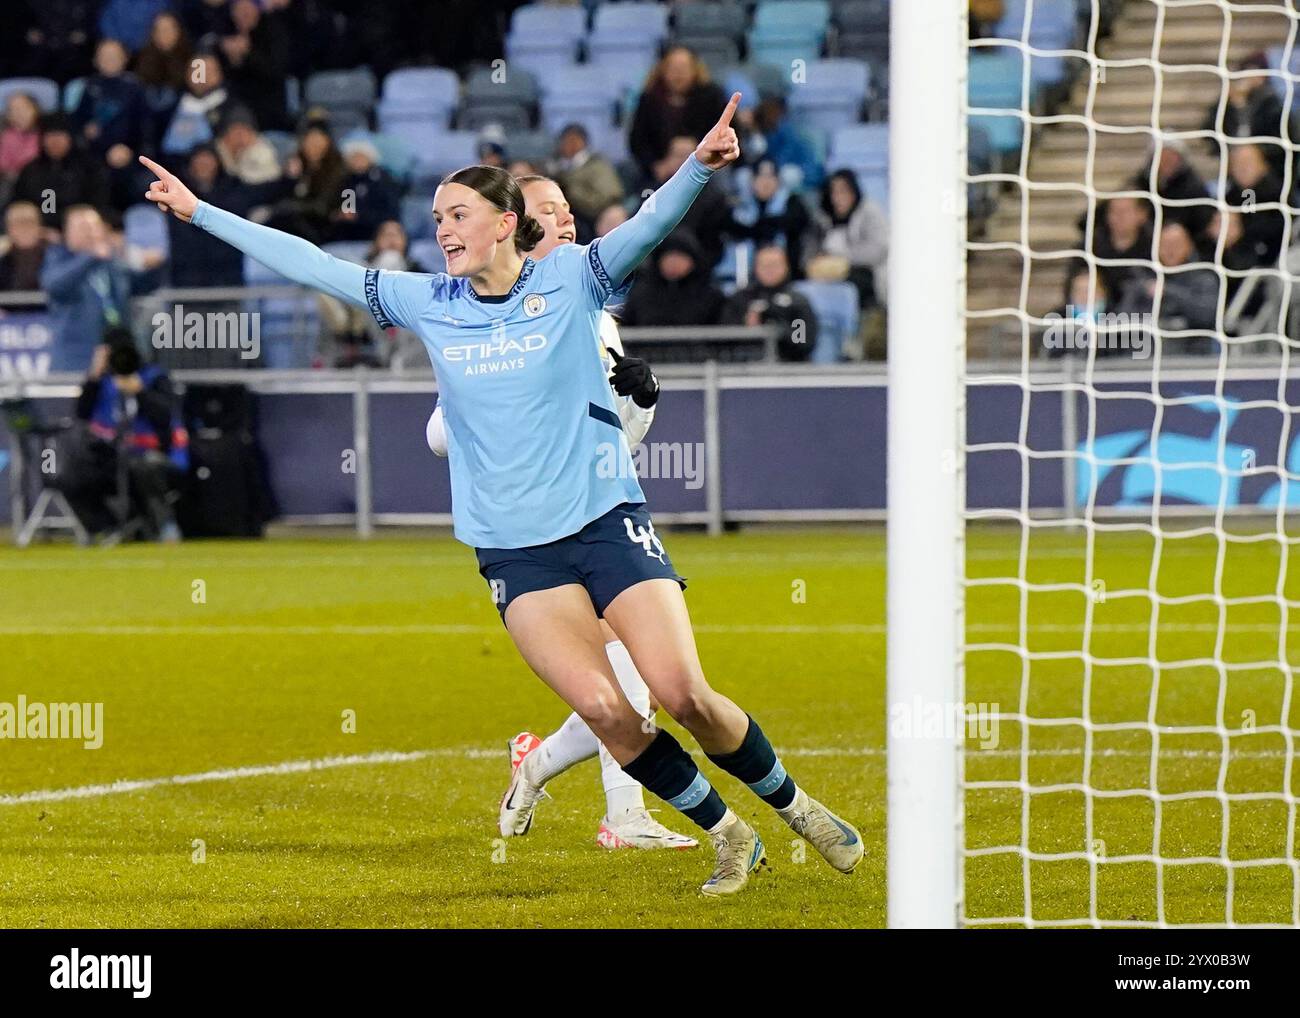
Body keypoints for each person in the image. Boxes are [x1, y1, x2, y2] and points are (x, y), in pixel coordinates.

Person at [139, 92, 863, 897]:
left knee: (681, 692)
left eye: (456, 215)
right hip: (515, 548)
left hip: (604, 521)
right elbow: (311, 262)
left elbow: (648, 227)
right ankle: (727, 835)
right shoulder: (429, 303)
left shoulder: (572, 279)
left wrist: (699, 164)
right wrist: (200, 210)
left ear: (503, 222)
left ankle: (796, 807)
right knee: (607, 710)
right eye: (438, 217)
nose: (441, 229)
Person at [426, 173, 693, 850]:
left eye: (570, 211)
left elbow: (622, 438)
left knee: (632, 692)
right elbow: (436, 432)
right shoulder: (476, 313)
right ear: (515, 223)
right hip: (530, 531)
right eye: (550, 212)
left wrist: (642, 397)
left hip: (599, 510)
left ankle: (540, 766)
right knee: (629, 691)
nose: (567, 222)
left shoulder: (590, 307)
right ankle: (623, 817)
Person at [74, 333, 189, 541]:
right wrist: (94, 375)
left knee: (145, 466)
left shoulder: (155, 377)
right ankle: (103, 526)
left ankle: (166, 525)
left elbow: (166, 418)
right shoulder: (102, 382)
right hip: (113, 454)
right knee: (71, 468)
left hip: (156, 453)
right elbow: (81, 414)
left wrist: (141, 392)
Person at [39, 205, 163, 371]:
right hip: (75, 361)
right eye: (83, 227)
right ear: (67, 233)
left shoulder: (110, 262)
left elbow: (137, 287)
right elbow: (54, 285)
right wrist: (89, 258)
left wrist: (151, 265)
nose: (90, 233)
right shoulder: (58, 257)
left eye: (94, 226)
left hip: (113, 358)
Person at [628, 46, 727, 182]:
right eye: (673, 69)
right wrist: (656, 165)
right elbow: (637, 142)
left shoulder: (713, 96)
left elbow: (726, 134)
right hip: (661, 167)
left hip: (707, 164)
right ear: (663, 71)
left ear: (695, 70)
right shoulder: (649, 99)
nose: (678, 74)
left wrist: (698, 148)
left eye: (684, 69)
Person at [722, 244, 819, 362]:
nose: (770, 270)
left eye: (775, 265)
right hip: (745, 368)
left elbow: (803, 341)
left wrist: (776, 328)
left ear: (786, 267)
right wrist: (748, 327)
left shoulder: (797, 302)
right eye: (764, 265)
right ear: (755, 267)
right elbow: (724, 336)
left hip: (788, 368)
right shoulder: (740, 299)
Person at [11, 112, 110, 228]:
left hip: (79, 231)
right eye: (49, 135)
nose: (54, 141)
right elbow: (17, 203)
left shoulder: (90, 168)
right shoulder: (30, 170)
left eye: (60, 135)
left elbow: (100, 206)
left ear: (71, 138)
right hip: (37, 233)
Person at [808, 169, 889, 308]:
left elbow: (878, 251)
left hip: (867, 275)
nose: (838, 198)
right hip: (828, 276)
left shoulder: (870, 213)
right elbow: (810, 249)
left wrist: (842, 257)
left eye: (843, 191)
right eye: (834, 192)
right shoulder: (822, 217)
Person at [619, 228, 725, 328]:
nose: (673, 263)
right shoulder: (641, 293)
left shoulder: (711, 296)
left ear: (693, 261)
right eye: (668, 256)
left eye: (680, 256)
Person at [551, 124, 624, 241]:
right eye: (566, 141)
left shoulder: (598, 166)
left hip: (597, 216)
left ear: (583, 142)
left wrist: (569, 188)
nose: (570, 145)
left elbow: (609, 196)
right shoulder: (554, 166)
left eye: (574, 140)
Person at [0, 201, 50, 292]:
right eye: (17, 225)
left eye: (29, 223)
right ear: (8, 230)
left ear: (39, 227)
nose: (24, 230)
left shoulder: (54, 254)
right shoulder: (4, 257)